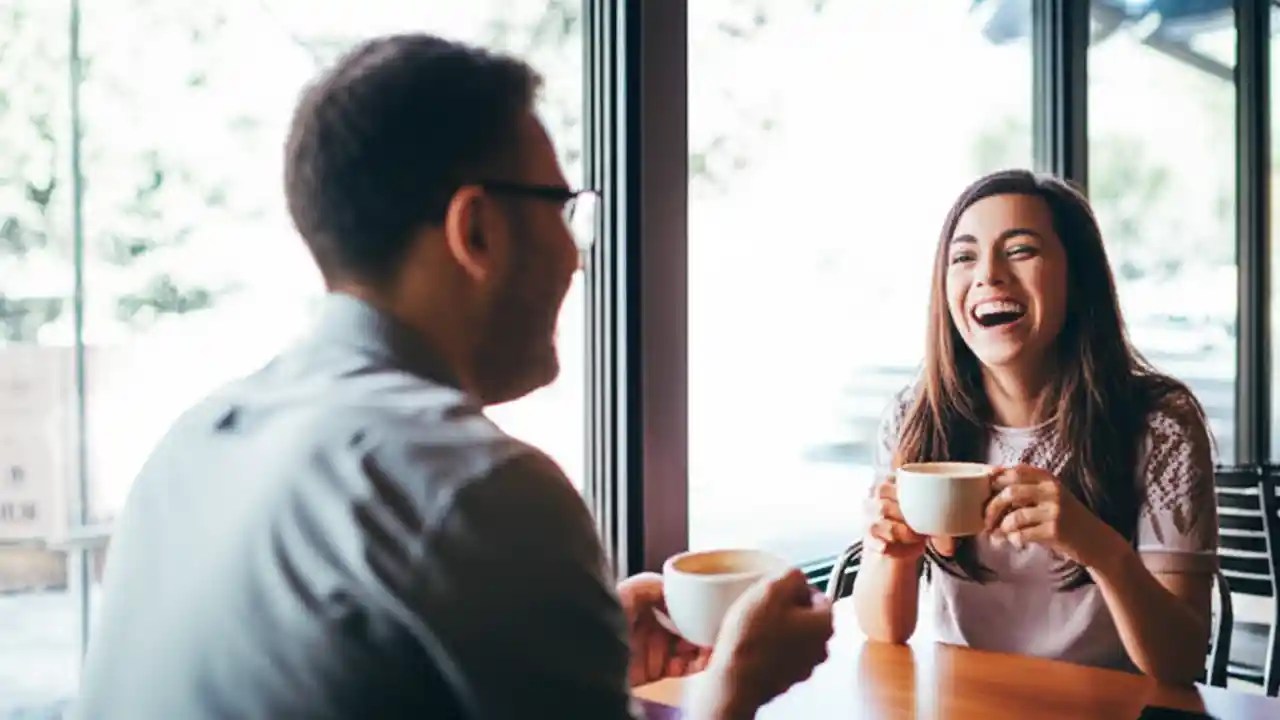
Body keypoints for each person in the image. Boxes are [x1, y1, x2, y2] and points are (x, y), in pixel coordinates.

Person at [74, 34, 832, 719]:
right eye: (563, 210)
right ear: (475, 230)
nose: (577, 257)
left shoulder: (195, 440)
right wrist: (737, 685)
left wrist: (570, 653)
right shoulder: (479, 485)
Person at [853, 169, 1219, 685]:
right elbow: (884, 631)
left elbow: (1180, 661)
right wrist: (889, 550)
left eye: (1021, 250)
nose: (990, 275)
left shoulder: (1160, 425)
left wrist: (1096, 545)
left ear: (1078, 277)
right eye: (964, 256)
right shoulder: (916, 417)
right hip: (966, 704)